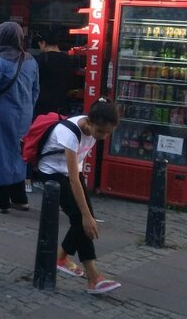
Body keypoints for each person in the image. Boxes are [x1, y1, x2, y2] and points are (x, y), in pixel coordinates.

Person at [35, 99, 122, 295]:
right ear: (89, 122)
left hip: (69, 171)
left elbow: (75, 172)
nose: (104, 136)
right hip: (52, 172)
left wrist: (87, 215)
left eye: (109, 133)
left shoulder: (93, 129)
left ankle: (60, 257)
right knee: (81, 219)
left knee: (85, 218)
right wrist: (85, 216)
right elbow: (73, 179)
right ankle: (93, 277)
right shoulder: (70, 133)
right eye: (101, 132)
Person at [0, 22, 39, 213]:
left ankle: (2, 200)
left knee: (0, 153)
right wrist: (27, 108)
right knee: (19, 153)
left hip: (1, 115)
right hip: (24, 114)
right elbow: (35, 91)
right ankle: (20, 198)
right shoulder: (30, 60)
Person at [33, 27, 76, 118]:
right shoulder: (68, 59)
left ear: (43, 43)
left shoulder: (40, 59)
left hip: (42, 104)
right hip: (62, 103)